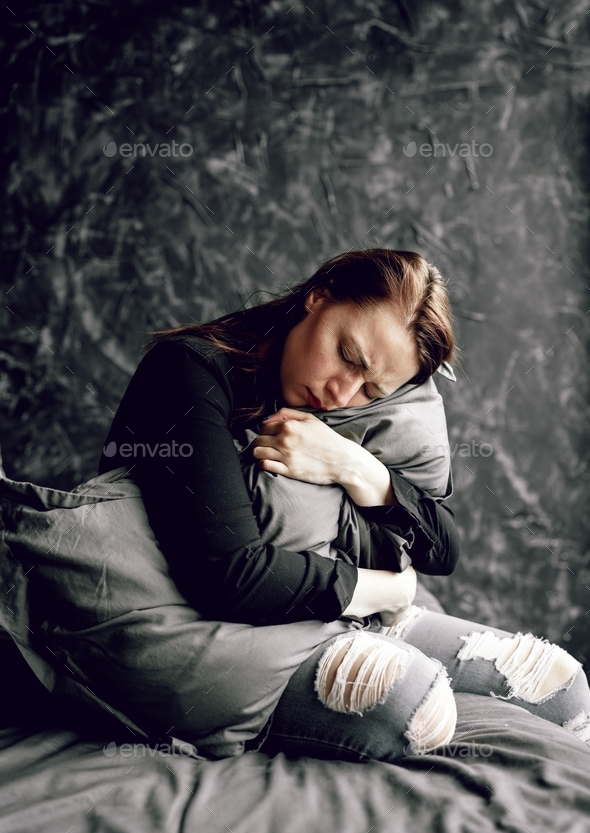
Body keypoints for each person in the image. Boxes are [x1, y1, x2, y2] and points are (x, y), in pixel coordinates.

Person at [99, 248, 590, 762]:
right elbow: (228, 577)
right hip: (205, 629)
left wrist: (354, 467)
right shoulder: (188, 372)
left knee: (563, 684)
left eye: (371, 389)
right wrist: (388, 589)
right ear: (320, 294)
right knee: (413, 703)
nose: (341, 394)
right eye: (348, 355)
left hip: (328, 610)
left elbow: (442, 550)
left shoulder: (349, 408)